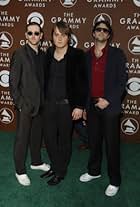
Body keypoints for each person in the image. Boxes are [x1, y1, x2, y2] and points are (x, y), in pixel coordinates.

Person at [79, 20, 128, 196]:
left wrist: (107, 99)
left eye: (104, 30)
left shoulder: (117, 54)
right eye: (98, 29)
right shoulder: (86, 56)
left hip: (110, 106)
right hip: (91, 106)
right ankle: (94, 171)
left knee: (112, 145)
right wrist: (85, 107)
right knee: (94, 142)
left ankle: (114, 181)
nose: (101, 32)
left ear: (108, 35)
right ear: (93, 33)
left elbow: (122, 82)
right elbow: (85, 85)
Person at [40, 21, 87, 185]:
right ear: (52, 37)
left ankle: (61, 171)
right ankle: (54, 166)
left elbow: (83, 83)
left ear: (69, 37)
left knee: (64, 141)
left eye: (63, 34)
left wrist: (80, 106)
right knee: (50, 138)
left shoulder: (77, 55)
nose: (59, 38)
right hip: (49, 105)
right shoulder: (48, 53)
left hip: (67, 106)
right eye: (56, 34)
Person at [9, 22, 50, 186]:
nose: (33, 36)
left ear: (41, 36)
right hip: (25, 105)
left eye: (36, 33)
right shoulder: (19, 54)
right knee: (22, 139)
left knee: (36, 136)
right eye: (30, 33)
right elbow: (13, 82)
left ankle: (36, 162)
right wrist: (20, 103)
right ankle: (20, 170)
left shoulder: (43, 54)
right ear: (26, 35)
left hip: (40, 104)